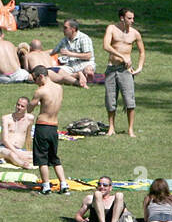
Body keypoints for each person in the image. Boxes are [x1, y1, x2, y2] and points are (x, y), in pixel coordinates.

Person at [102, 8, 146, 137]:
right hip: (111, 68)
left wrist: (140, 67)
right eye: (129, 18)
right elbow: (106, 46)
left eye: (133, 18)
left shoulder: (135, 34)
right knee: (110, 100)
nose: (132, 21)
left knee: (129, 100)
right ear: (122, 18)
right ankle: (111, 128)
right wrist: (122, 56)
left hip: (126, 70)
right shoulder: (111, 28)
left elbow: (142, 52)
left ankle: (130, 129)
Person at [25, 67, 69, 195]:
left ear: (41, 76)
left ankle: (46, 186)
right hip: (54, 126)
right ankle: (64, 184)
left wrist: (33, 103)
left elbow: (29, 109)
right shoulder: (59, 88)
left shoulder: (40, 91)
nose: (35, 82)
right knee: (54, 158)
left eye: (35, 78)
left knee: (42, 158)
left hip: (43, 126)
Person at [51, 19, 96, 88]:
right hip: (70, 65)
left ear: (73, 29)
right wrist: (39, 53)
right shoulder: (64, 40)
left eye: (65, 28)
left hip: (84, 63)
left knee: (88, 70)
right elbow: (53, 51)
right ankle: (78, 75)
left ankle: (80, 75)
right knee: (53, 71)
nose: (63, 30)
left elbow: (88, 56)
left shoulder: (84, 38)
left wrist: (70, 54)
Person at [0, 97, 34, 168]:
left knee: (38, 156)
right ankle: (23, 164)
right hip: (5, 148)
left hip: (19, 149)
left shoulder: (29, 119)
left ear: (26, 108)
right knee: (12, 155)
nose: (19, 107)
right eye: (18, 105)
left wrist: (28, 151)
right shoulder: (6, 119)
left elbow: (28, 136)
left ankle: (21, 159)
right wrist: (17, 152)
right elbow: (4, 140)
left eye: (22, 106)